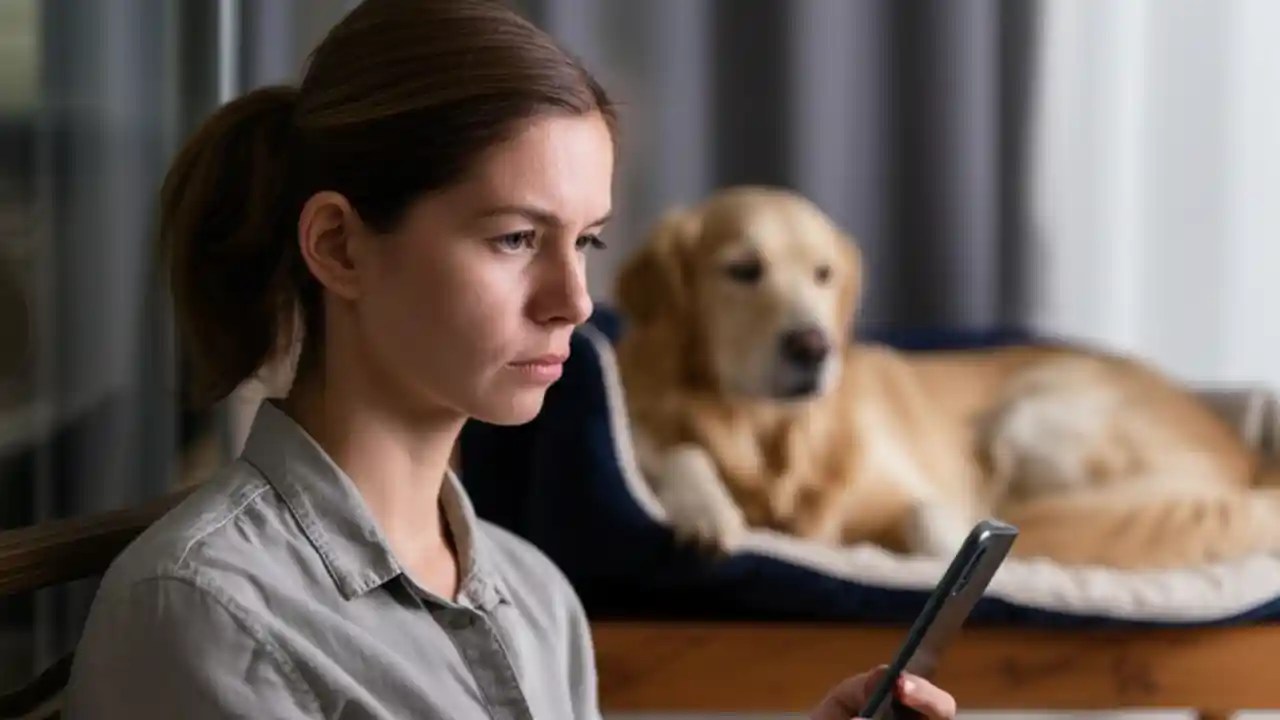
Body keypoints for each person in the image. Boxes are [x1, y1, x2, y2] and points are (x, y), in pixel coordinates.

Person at [63, 1, 958, 718]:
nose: (575, 300)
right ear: (338, 245)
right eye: (516, 238)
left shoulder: (535, 596)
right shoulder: (205, 612)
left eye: (587, 242)